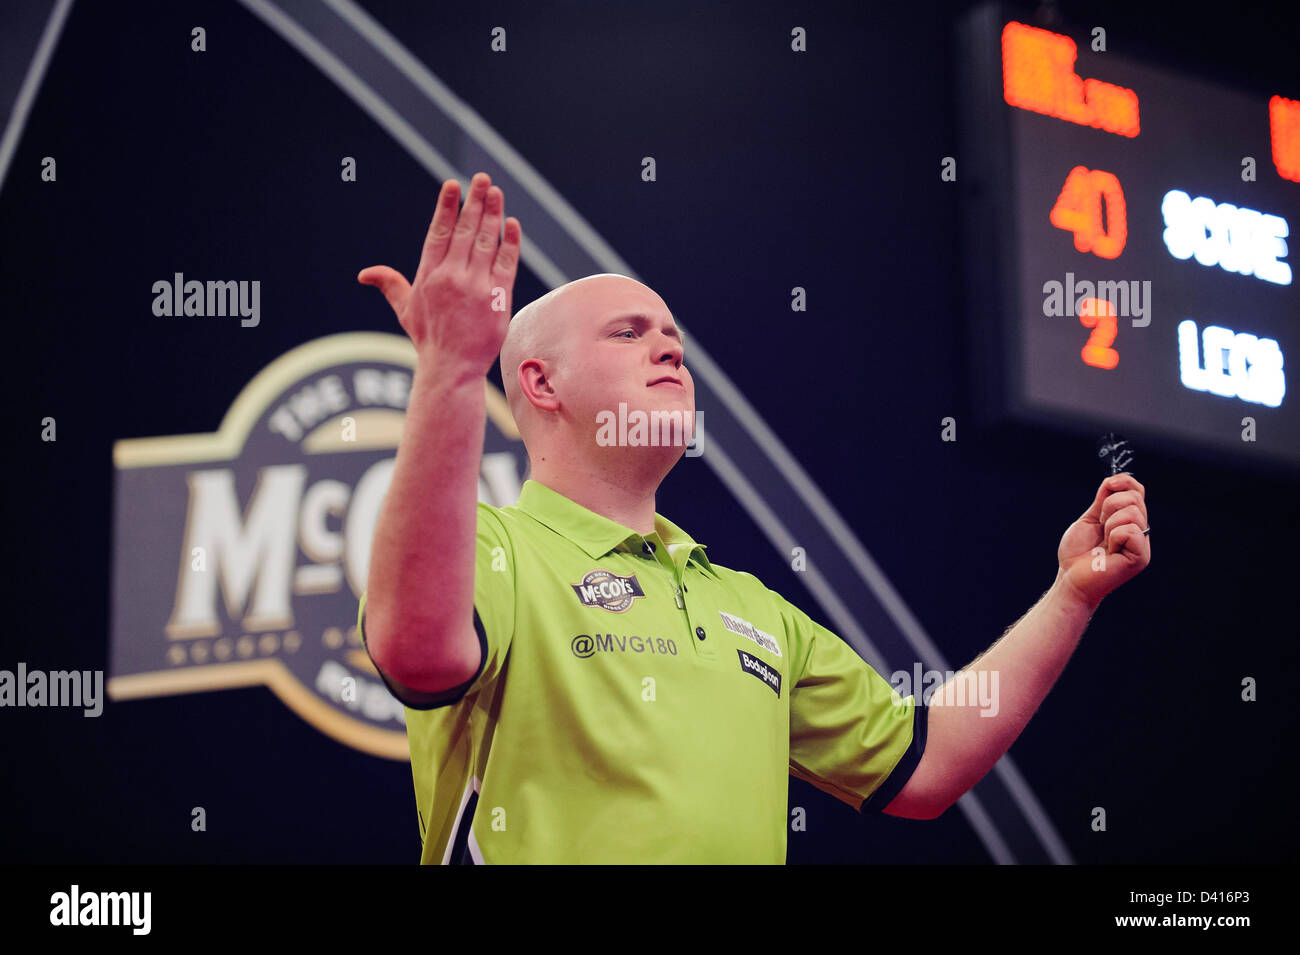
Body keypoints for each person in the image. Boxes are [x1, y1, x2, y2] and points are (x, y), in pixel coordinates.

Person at [355, 171, 1151, 864]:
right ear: (540, 382)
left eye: (673, 336)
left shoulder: (752, 608)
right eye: (629, 333)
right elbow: (416, 650)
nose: (668, 349)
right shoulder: (495, 550)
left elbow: (929, 764)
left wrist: (1071, 595)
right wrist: (453, 370)